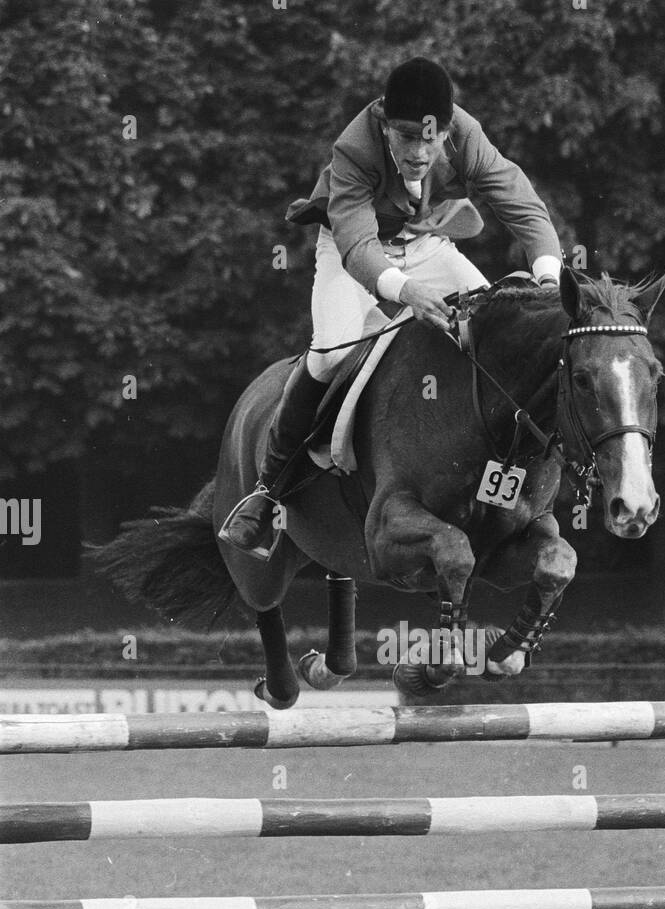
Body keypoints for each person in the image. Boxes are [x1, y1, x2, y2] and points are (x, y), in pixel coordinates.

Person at [220, 56, 563, 557]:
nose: (420, 152)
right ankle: (266, 491)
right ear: (384, 124)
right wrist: (404, 291)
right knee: (330, 355)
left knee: (492, 337)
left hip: (426, 245)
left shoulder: (466, 135)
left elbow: (524, 207)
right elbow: (358, 247)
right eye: (406, 137)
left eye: (431, 138)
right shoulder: (354, 148)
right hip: (350, 252)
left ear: (447, 129)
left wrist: (549, 280)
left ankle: (503, 483)